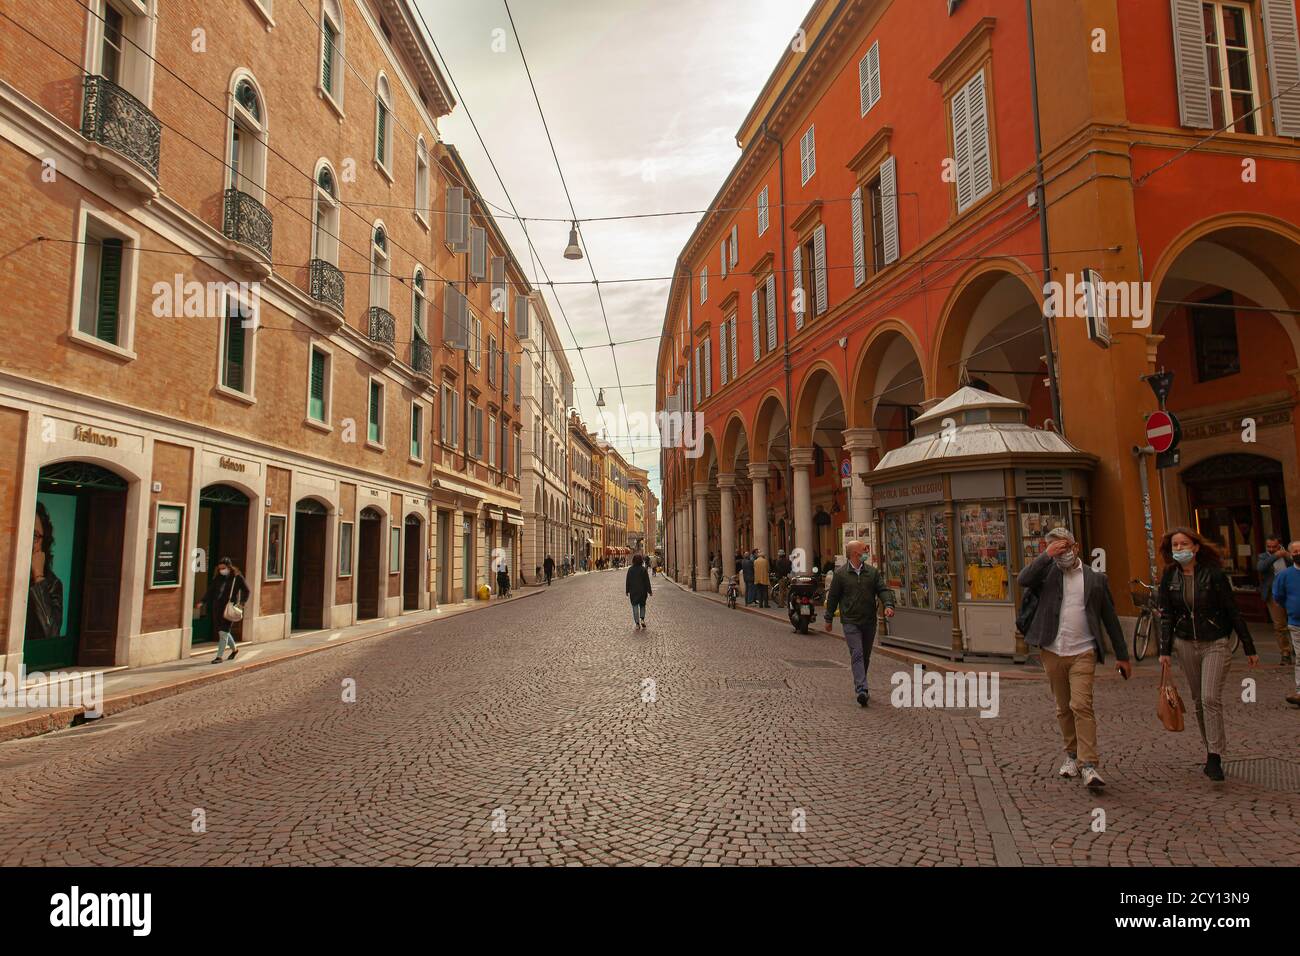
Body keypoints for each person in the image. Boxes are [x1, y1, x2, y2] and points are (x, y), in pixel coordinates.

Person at [1018, 527, 1131, 791]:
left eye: (1065, 548)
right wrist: (1046, 556)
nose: (1063, 554)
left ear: (1076, 547)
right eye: (1056, 550)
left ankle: (1088, 764)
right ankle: (1071, 755)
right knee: (1063, 707)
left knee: (1081, 705)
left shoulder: (1095, 579)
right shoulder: (1046, 574)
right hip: (1053, 650)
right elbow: (1023, 579)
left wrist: (1122, 655)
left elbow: (1110, 618)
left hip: (1083, 651)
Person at [1157, 527, 1258, 782]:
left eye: (1184, 544)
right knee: (1198, 700)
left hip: (1214, 641)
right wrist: (1164, 650)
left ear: (1196, 547)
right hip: (1185, 643)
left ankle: (1215, 756)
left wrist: (1248, 646)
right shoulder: (1169, 576)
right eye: (1175, 545)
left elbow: (1232, 610)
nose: (1179, 549)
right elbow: (1166, 615)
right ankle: (1209, 748)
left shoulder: (1213, 575)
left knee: (1210, 697)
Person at [823, 539, 895, 707]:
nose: (866, 552)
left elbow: (882, 590)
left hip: (869, 620)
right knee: (857, 653)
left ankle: (861, 680)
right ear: (856, 553)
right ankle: (862, 689)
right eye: (864, 550)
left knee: (865, 656)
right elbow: (833, 597)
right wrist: (828, 618)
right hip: (850, 621)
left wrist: (888, 605)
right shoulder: (841, 574)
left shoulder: (872, 573)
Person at [194, 557, 249, 664]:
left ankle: (219, 657)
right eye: (219, 568)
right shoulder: (218, 577)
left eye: (223, 568)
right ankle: (235, 650)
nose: (221, 570)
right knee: (223, 632)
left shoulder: (237, 577)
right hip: (217, 608)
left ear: (229, 567)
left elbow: (246, 591)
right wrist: (202, 601)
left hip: (229, 608)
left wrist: (242, 603)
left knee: (223, 633)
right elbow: (210, 591)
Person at [26, 501, 65, 642]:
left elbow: (52, 633)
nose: (28, 542)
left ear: (44, 542)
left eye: (34, 536)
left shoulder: (52, 583)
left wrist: (38, 577)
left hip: (32, 654)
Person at [1271, 540, 1300, 708]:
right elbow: (1278, 596)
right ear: (1290, 554)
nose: (1298, 554)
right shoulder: (1284, 575)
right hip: (1296, 623)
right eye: (1295, 552)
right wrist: (1292, 608)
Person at [1257, 537, 1294, 665]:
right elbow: (1261, 568)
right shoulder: (1263, 557)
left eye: (1274, 546)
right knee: (1279, 625)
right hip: (1273, 594)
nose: (1271, 549)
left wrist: (1287, 555)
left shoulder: (1288, 554)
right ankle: (1285, 652)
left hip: (1291, 592)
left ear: (1280, 545)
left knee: (1295, 623)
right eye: (1269, 546)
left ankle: (1296, 648)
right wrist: (1275, 556)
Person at [626, 553, 652, 630]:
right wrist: (649, 591)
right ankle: (642, 619)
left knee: (635, 606)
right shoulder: (643, 569)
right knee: (642, 605)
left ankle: (637, 623)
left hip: (633, 591)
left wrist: (627, 590)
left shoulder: (630, 570)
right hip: (642, 591)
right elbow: (647, 581)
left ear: (633, 560)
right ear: (641, 561)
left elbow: (628, 581)